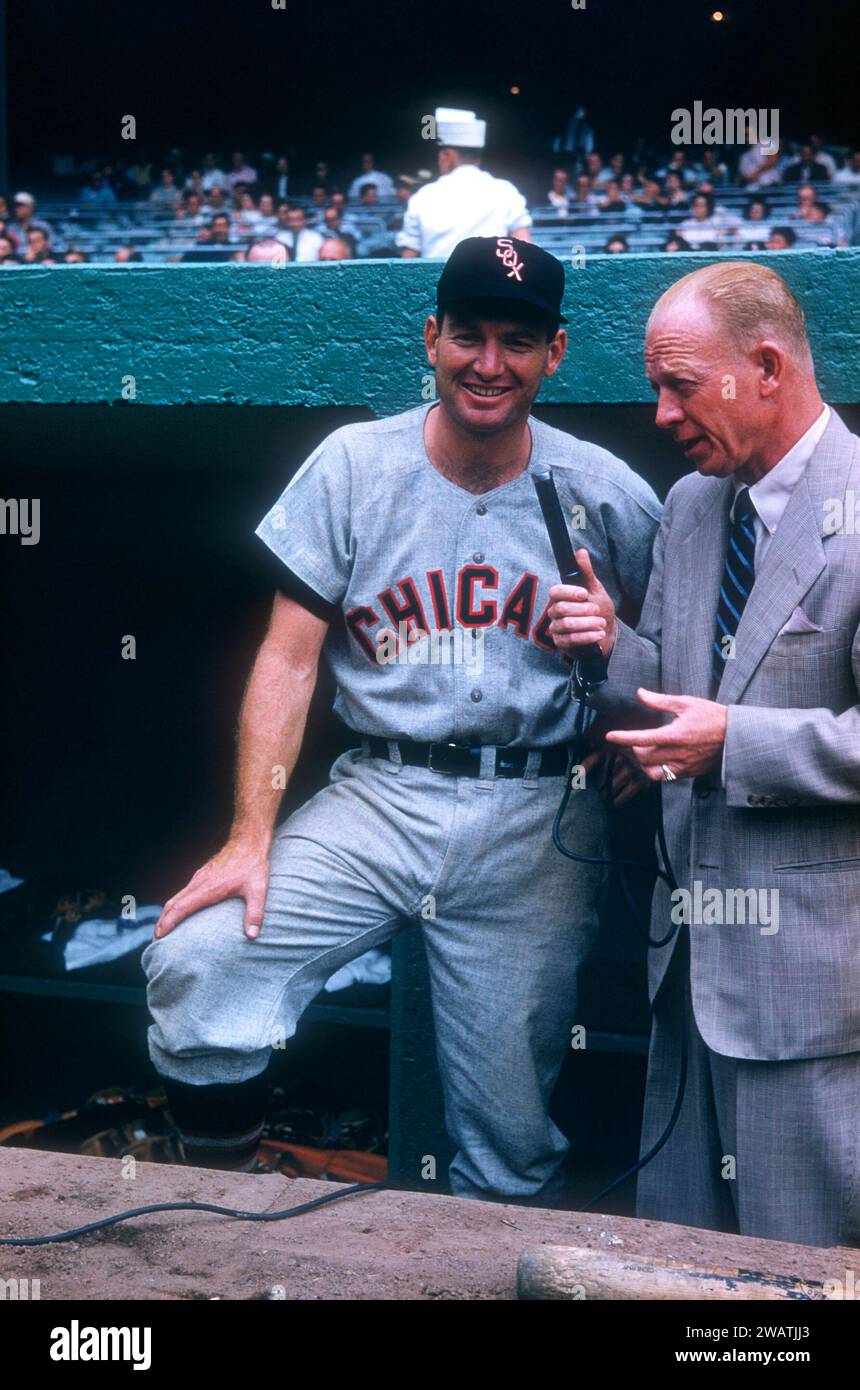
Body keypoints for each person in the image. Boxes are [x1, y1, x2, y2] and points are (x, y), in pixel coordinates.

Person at [142, 235, 661, 1197]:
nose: (489, 364)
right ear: (431, 337)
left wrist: (632, 695)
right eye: (468, 335)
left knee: (508, 1131)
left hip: (539, 817)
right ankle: (208, 1208)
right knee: (198, 958)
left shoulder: (607, 492)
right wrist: (249, 836)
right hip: (377, 797)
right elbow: (288, 662)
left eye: (518, 341)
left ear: (555, 355)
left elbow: (679, 658)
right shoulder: (353, 465)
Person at [546, 261, 860, 1248]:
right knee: (679, 1272)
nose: (658, 412)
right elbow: (680, 693)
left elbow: (720, 729)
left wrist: (733, 746)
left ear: (764, 366)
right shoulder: (687, 505)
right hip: (682, 972)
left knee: (800, 1280)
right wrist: (608, 646)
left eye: (679, 385)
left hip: (807, 992)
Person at [397, 107, 532, 259]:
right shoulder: (506, 192)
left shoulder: (423, 197)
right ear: (477, 157)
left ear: (448, 155)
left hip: (437, 282)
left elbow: (408, 261)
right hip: (493, 281)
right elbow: (525, 249)